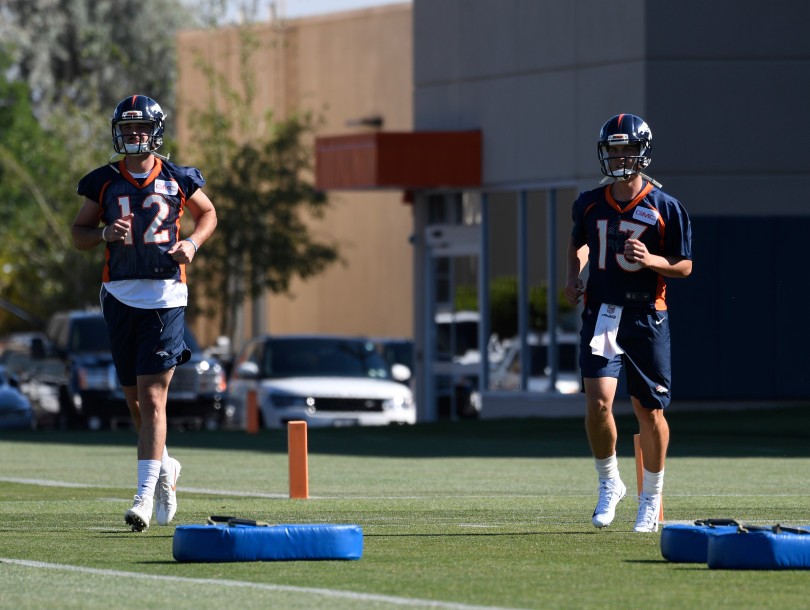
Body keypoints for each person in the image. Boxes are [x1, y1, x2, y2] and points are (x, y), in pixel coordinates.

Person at [71, 95, 217, 531]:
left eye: (141, 129)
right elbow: (77, 234)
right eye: (127, 129)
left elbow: (208, 214)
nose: (134, 136)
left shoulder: (177, 177)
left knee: (154, 399)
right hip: (118, 293)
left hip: (166, 295)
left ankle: (141, 498)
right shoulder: (103, 181)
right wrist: (101, 233)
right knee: (135, 401)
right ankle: (166, 467)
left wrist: (191, 243)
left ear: (155, 132)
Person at [564, 113, 692, 533]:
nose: (620, 157)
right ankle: (609, 482)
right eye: (613, 150)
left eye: (627, 149)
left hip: (646, 314)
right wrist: (574, 274)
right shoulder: (588, 202)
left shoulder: (666, 207)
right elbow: (580, 243)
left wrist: (650, 259)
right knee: (598, 401)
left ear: (643, 153)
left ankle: (650, 497)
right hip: (602, 311)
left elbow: (685, 265)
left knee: (648, 409)